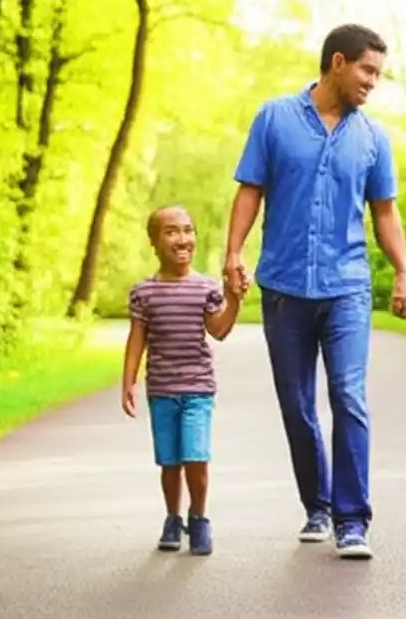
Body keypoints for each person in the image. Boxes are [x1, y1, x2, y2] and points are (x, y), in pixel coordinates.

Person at [222, 23, 406, 560]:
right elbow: (250, 192)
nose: (373, 82)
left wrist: (402, 272)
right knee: (297, 405)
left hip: (347, 286)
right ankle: (318, 505)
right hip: (284, 286)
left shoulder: (373, 138)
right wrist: (234, 253)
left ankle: (353, 520)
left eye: (378, 73)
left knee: (349, 396)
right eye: (367, 70)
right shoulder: (275, 118)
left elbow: (385, 211)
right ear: (337, 62)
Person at [121, 205, 241, 556]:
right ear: (154, 242)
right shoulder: (144, 292)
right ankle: (173, 518)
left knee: (196, 458)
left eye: (188, 230)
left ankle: (199, 518)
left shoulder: (205, 287)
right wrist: (127, 381)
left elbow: (218, 330)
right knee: (170, 462)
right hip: (161, 390)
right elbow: (137, 339)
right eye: (171, 231)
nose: (183, 238)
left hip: (198, 389)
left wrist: (233, 298)